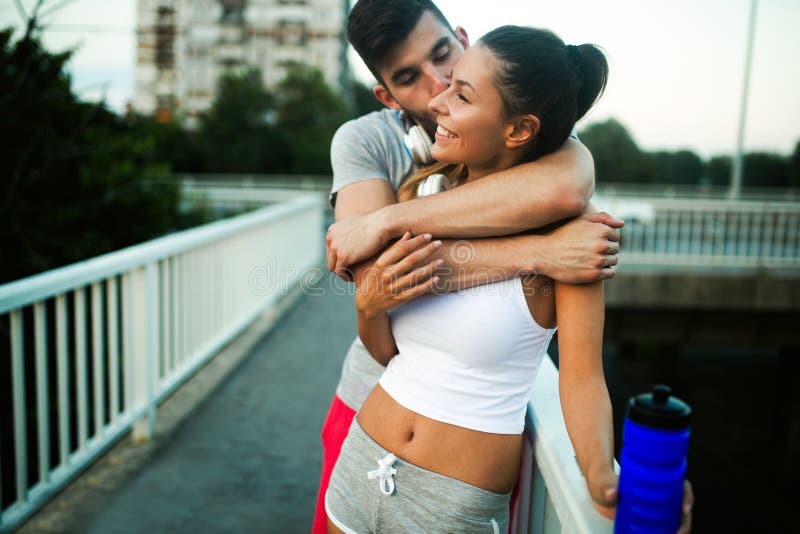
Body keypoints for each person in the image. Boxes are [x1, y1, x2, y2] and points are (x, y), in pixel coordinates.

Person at [324, 25, 693, 534]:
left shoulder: (573, 238)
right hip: (361, 463)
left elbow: (582, 378)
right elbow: (388, 351)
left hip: (453, 502)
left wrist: (600, 473)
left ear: (519, 130)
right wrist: (368, 306)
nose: (437, 102)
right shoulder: (421, 195)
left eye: (462, 93)